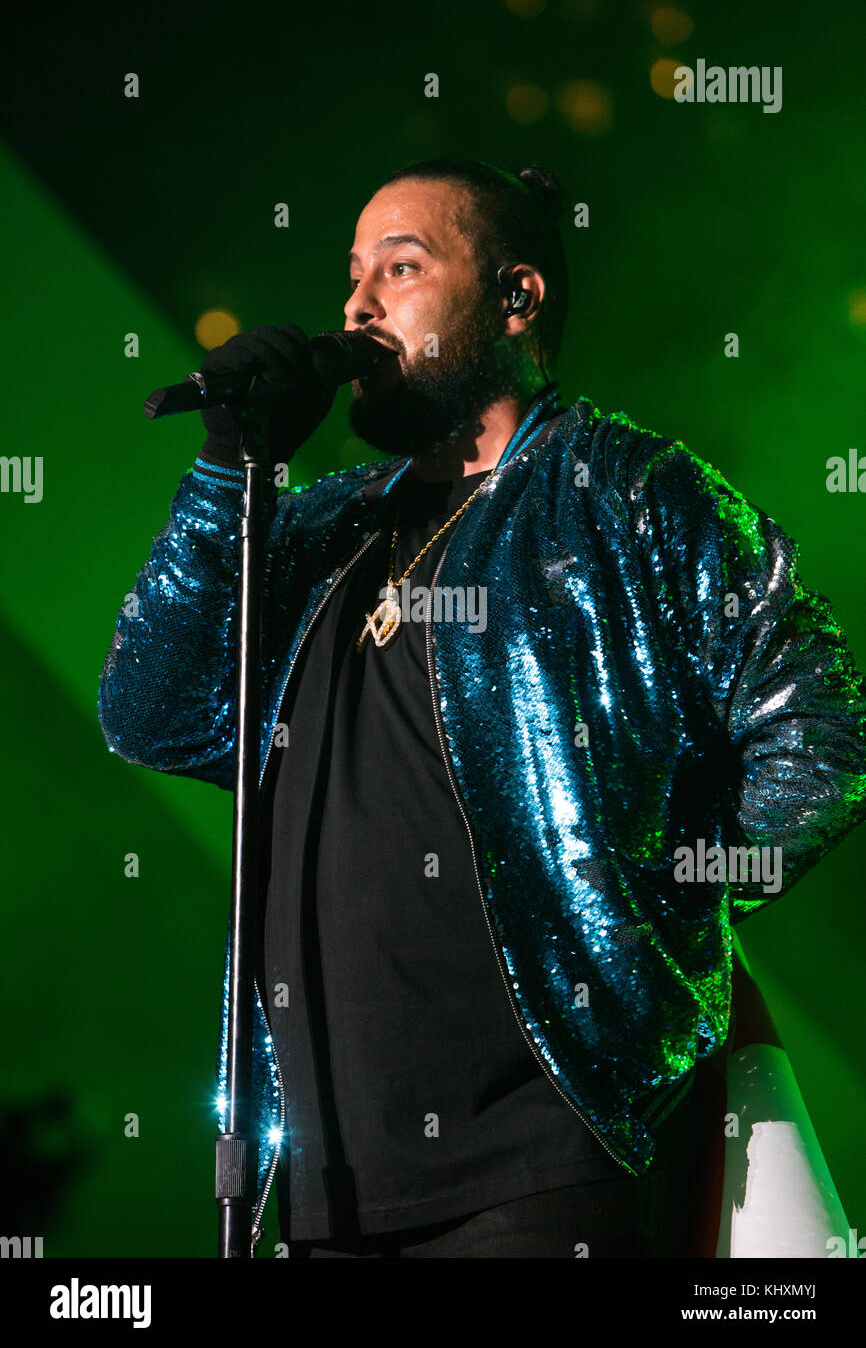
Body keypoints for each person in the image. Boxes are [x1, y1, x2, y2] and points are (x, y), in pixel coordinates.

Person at [97, 158, 866, 1258]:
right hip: (320, 1183)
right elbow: (150, 712)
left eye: (400, 267)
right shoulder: (321, 530)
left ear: (515, 297)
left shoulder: (626, 493)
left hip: (537, 1164)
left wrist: (647, 901)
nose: (357, 303)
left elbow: (822, 731)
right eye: (352, 273)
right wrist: (230, 474)